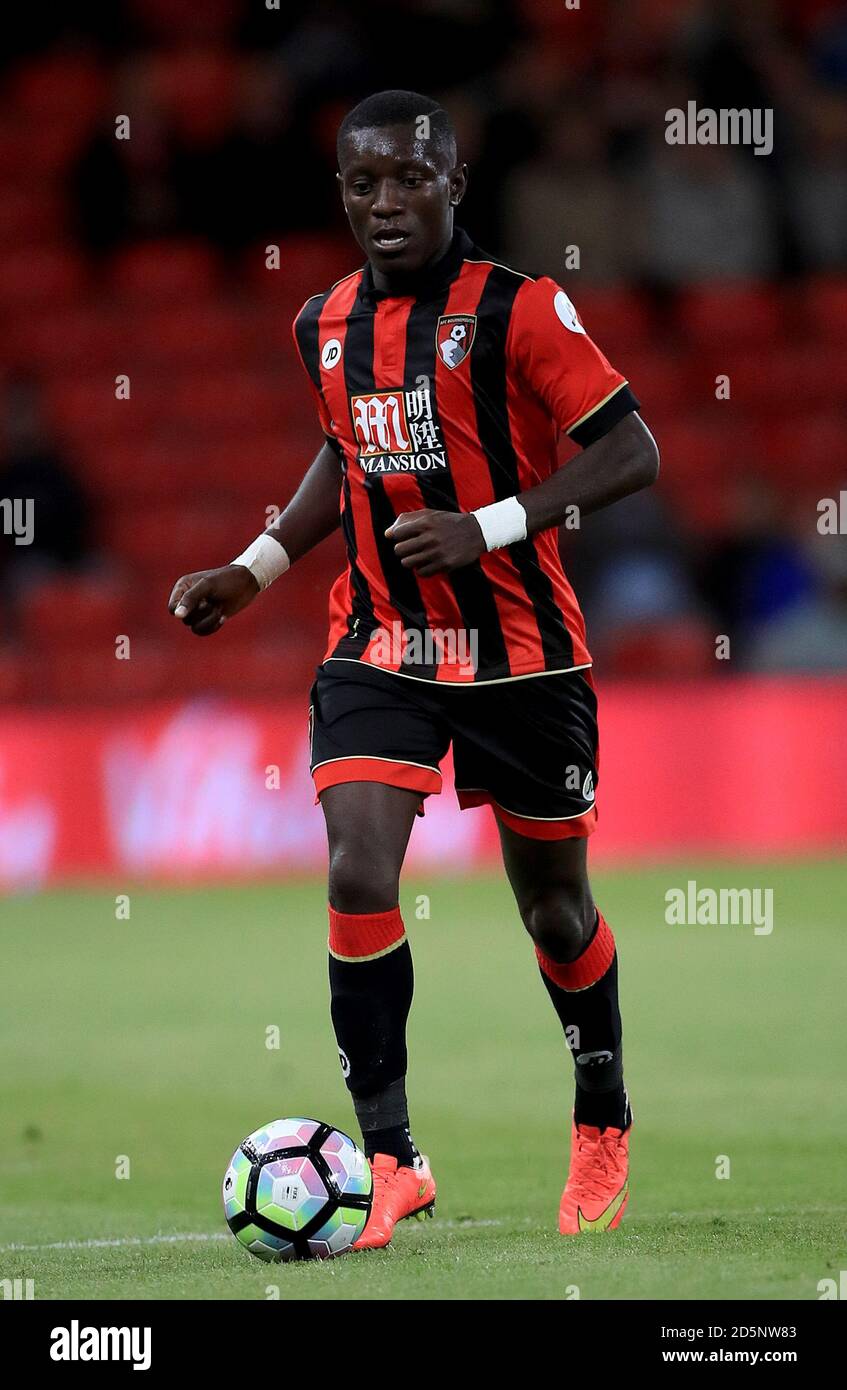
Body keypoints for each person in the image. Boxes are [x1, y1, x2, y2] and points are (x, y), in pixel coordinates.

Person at [168, 90, 659, 1247]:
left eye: (408, 179)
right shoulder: (322, 322)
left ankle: (600, 1114)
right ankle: (388, 1156)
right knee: (356, 867)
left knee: (553, 907)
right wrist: (257, 563)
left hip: (519, 656)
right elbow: (343, 453)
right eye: (361, 184)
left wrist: (485, 527)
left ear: (455, 181)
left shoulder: (521, 312)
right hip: (381, 646)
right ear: (340, 194)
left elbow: (632, 451)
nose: (385, 203)